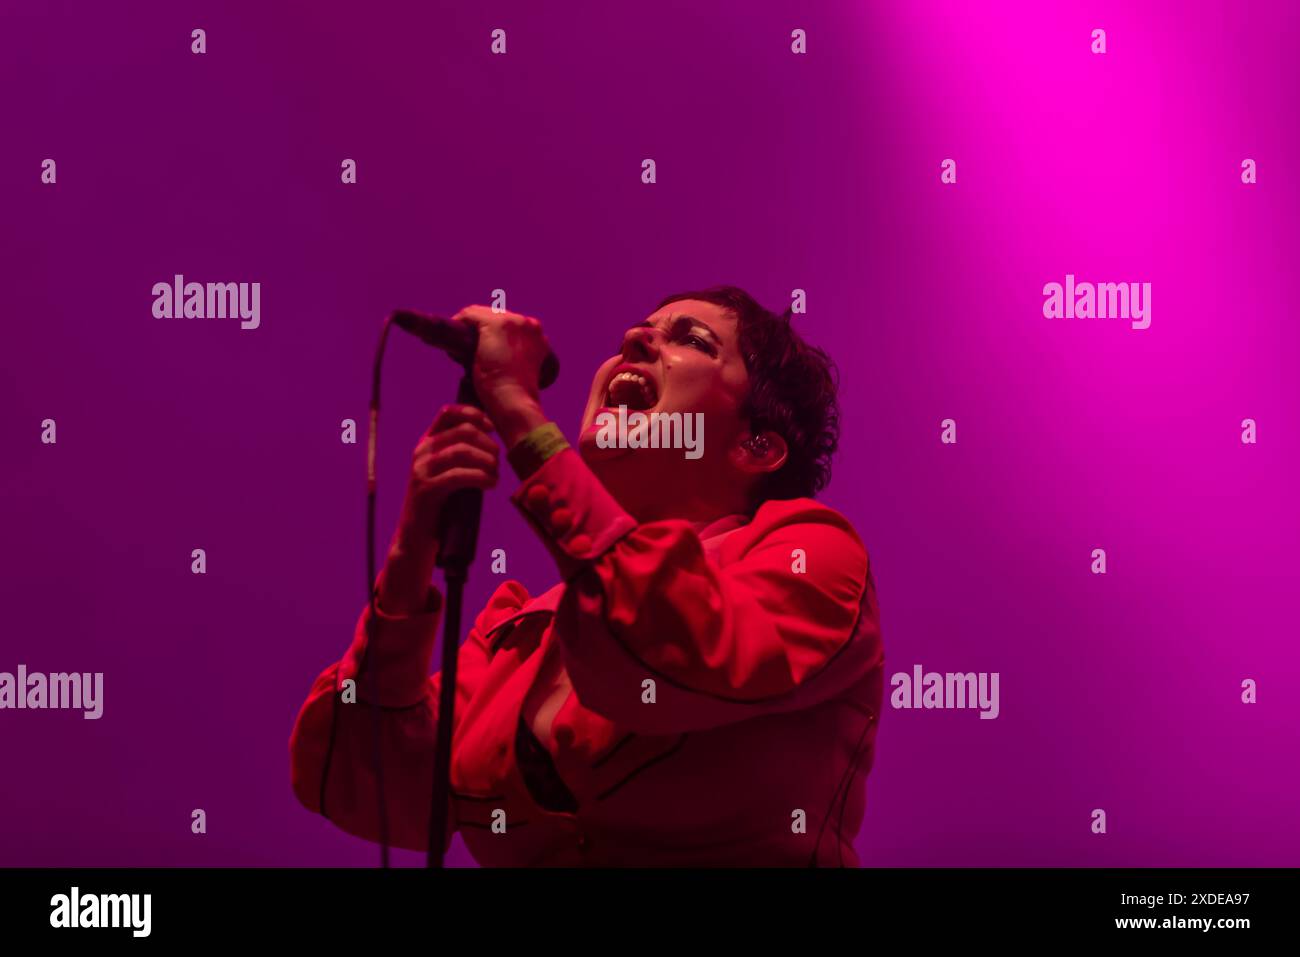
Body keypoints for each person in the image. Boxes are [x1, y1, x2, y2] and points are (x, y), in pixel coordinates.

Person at [288, 286, 884, 866]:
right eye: (640, 327)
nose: (635, 338)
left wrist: (522, 417)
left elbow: (680, 648)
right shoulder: (521, 633)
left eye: (692, 340)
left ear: (756, 446)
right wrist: (414, 546)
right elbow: (365, 779)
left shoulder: (814, 554)